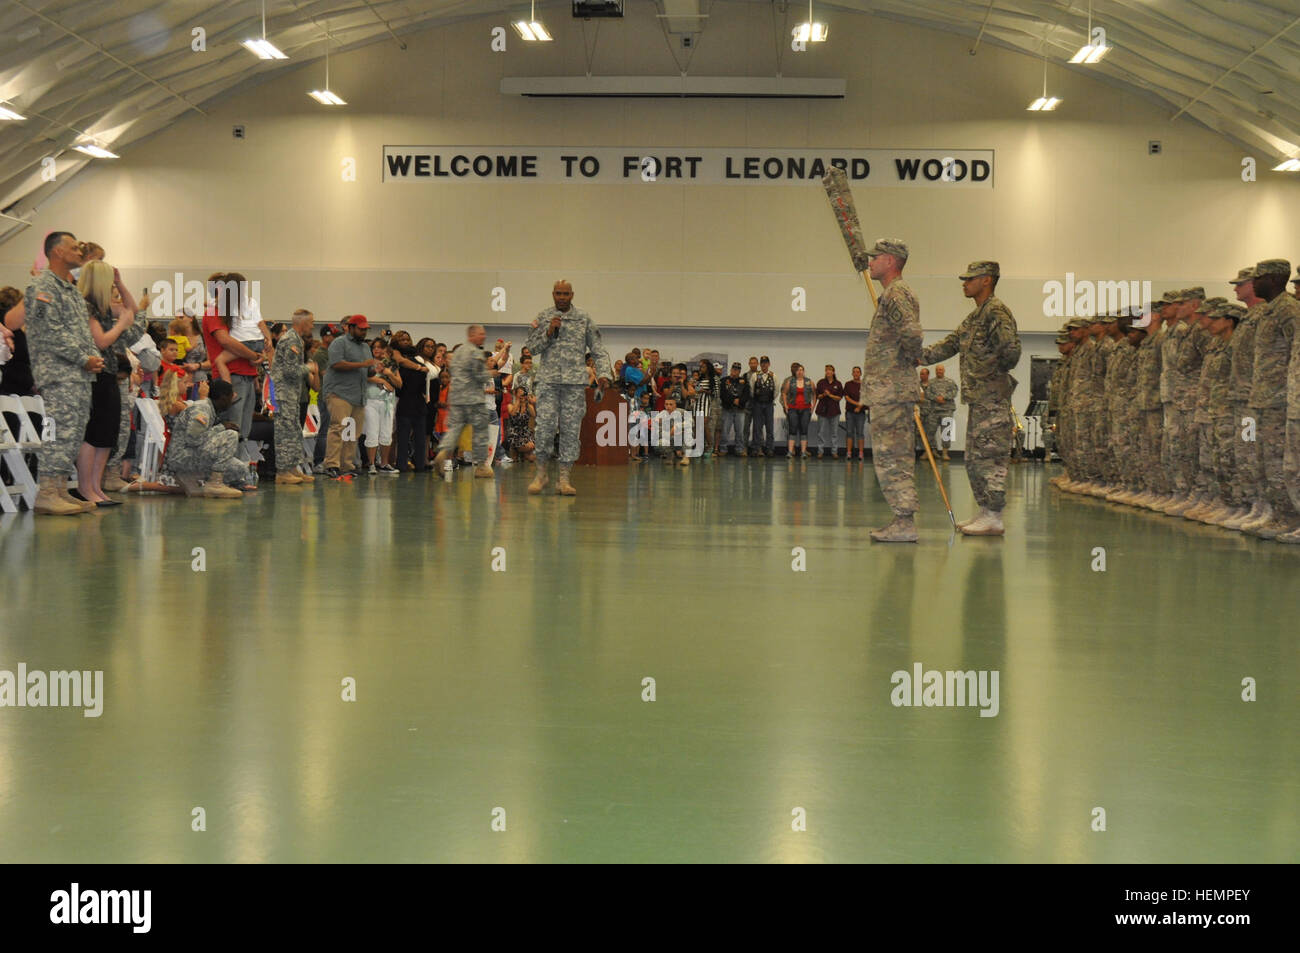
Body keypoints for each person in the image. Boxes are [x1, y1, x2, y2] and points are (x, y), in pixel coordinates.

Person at [919, 261, 1022, 535]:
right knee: (975, 458)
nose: (964, 283)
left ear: (986, 280)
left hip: (992, 396)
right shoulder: (975, 317)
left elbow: (1012, 352)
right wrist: (919, 356)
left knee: (991, 456)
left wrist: (991, 370)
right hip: (978, 398)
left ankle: (995, 516)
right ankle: (986, 512)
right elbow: (951, 343)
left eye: (970, 279)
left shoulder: (997, 312)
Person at [22, 232, 104, 515]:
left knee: (72, 433)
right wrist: (84, 358)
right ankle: (46, 492)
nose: (80, 251)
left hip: (78, 374)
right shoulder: (43, 286)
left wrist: (93, 357)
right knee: (57, 432)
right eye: (73, 247)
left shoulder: (70, 289)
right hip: (59, 373)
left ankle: (58, 488)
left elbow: (80, 331)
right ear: (57, 252)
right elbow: (49, 331)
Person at [523, 280, 611, 496]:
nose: (562, 297)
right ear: (553, 294)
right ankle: (541, 474)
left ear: (572, 295)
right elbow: (531, 348)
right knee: (544, 428)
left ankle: (564, 478)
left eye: (566, 294)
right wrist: (548, 332)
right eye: (558, 293)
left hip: (574, 384)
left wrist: (603, 374)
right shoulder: (543, 317)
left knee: (571, 430)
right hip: (548, 382)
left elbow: (598, 349)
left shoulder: (583, 318)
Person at [861, 239, 923, 542]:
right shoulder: (893, 293)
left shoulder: (897, 293)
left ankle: (904, 522)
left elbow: (912, 334)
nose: (870, 263)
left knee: (892, 457)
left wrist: (908, 359)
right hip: (889, 390)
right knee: (893, 455)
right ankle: (902, 519)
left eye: (875, 258)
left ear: (889, 260)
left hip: (891, 390)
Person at [75, 261, 149, 506]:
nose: (111, 287)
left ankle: (96, 486)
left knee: (108, 433)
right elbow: (102, 340)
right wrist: (121, 325)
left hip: (109, 372)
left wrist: (120, 282)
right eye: (108, 281)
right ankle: (86, 487)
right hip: (93, 373)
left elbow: (133, 309)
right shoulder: (85, 305)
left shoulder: (104, 306)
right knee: (94, 432)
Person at [1243, 259, 1299, 539]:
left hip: (1280, 401)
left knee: (1280, 462)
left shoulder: (1287, 310)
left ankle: (1288, 516)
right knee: (1266, 460)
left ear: (1275, 279)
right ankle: (1278, 514)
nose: (1254, 283)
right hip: (1265, 399)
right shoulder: (1269, 311)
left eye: (1259, 277)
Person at [163, 379, 246, 498]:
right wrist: (221, 427)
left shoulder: (211, 409)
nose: (231, 401)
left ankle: (194, 480)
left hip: (192, 455)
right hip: (182, 458)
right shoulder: (202, 409)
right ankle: (215, 484)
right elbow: (193, 440)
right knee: (231, 435)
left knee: (239, 469)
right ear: (223, 398)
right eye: (230, 397)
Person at [434, 324, 495, 478]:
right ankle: (481, 466)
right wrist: (491, 373)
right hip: (474, 399)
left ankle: (443, 452)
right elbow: (479, 376)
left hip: (457, 398)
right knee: (481, 432)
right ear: (472, 335)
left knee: (455, 429)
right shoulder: (475, 352)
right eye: (481, 334)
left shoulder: (458, 352)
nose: (484, 336)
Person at [321, 315, 377, 478]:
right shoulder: (339, 343)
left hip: (358, 395)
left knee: (352, 432)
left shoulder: (366, 347)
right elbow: (336, 364)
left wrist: (373, 369)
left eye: (365, 329)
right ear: (350, 327)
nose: (364, 332)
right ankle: (331, 464)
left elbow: (367, 370)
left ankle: (347, 464)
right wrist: (362, 365)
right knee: (338, 428)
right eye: (361, 329)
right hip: (339, 393)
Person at [269, 309, 319, 485]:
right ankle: (282, 472)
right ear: (302, 322)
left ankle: (291, 468)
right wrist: (309, 368)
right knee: (284, 432)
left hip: (290, 394)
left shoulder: (296, 339)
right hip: (283, 394)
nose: (312, 326)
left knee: (293, 431)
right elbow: (291, 372)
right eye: (311, 322)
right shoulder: (291, 340)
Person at [363, 337, 401, 475]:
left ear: (385, 349)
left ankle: (384, 463)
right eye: (374, 347)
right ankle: (372, 464)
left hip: (387, 401)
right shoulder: (368, 363)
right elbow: (362, 377)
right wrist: (380, 380)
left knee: (386, 433)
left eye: (380, 347)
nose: (377, 350)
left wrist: (389, 374)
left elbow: (399, 384)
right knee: (372, 432)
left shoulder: (391, 364)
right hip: (371, 400)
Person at [927, 365, 959, 459]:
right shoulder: (931, 382)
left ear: (944, 371)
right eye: (937, 370)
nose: (939, 371)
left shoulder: (950, 382)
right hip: (934, 411)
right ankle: (933, 451)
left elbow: (955, 392)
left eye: (940, 369)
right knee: (930, 431)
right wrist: (936, 398)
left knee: (946, 432)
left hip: (947, 410)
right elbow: (928, 393)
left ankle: (945, 453)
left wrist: (944, 397)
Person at [783, 363, 813, 458]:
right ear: (795, 372)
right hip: (793, 409)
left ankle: (803, 452)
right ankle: (790, 451)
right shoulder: (790, 381)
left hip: (805, 409)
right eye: (798, 370)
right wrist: (785, 405)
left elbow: (815, 394)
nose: (800, 372)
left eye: (801, 370)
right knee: (792, 429)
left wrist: (813, 406)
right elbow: (784, 393)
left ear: (804, 372)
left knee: (804, 430)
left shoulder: (809, 382)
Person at [719, 362, 750, 455]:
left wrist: (740, 401)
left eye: (737, 369)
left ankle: (739, 449)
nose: (734, 371)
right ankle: (723, 449)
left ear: (739, 371)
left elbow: (747, 394)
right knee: (725, 430)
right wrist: (733, 400)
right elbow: (722, 394)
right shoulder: (724, 380)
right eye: (733, 369)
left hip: (740, 409)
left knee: (740, 432)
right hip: (727, 409)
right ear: (731, 369)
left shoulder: (744, 381)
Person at [814, 365, 844, 458]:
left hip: (834, 411)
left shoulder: (838, 383)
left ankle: (834, 452)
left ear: (833, 372)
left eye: (830, 370)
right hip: (822, 410)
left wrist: (830, 395)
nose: (828, 372)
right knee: (821, 432)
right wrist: (823, 394)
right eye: (826, 370)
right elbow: (817, 396)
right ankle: (820, 451)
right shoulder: (821, 383)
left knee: (834, 433)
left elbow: (839, 398)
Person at [748, 356, 776, 456]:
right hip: (758, 404)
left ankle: (769, 449)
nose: (764, 364)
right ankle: (757, 448)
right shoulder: (755, 376)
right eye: (762, 363)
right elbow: (751, 390)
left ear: (769, 364)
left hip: (769, 405)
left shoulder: (773, 376)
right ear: (760, 364)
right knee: (757, 427)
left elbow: (776, 391)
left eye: (766, 363)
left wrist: (770, 399)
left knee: (770, 427)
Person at [843, 365, 867, 461]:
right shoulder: (848, 384)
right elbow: (847, 397)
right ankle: (849, 453)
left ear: (860, 374)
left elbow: (867, 398)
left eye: (857, 372)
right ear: (852, 374)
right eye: (854, 372)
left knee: (860, 433)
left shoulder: (865, 385)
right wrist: (857, 404)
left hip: (861, 413)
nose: (856, 373)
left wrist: (860, 406)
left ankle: (861, 453)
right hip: (850, 412)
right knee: (849, 433)